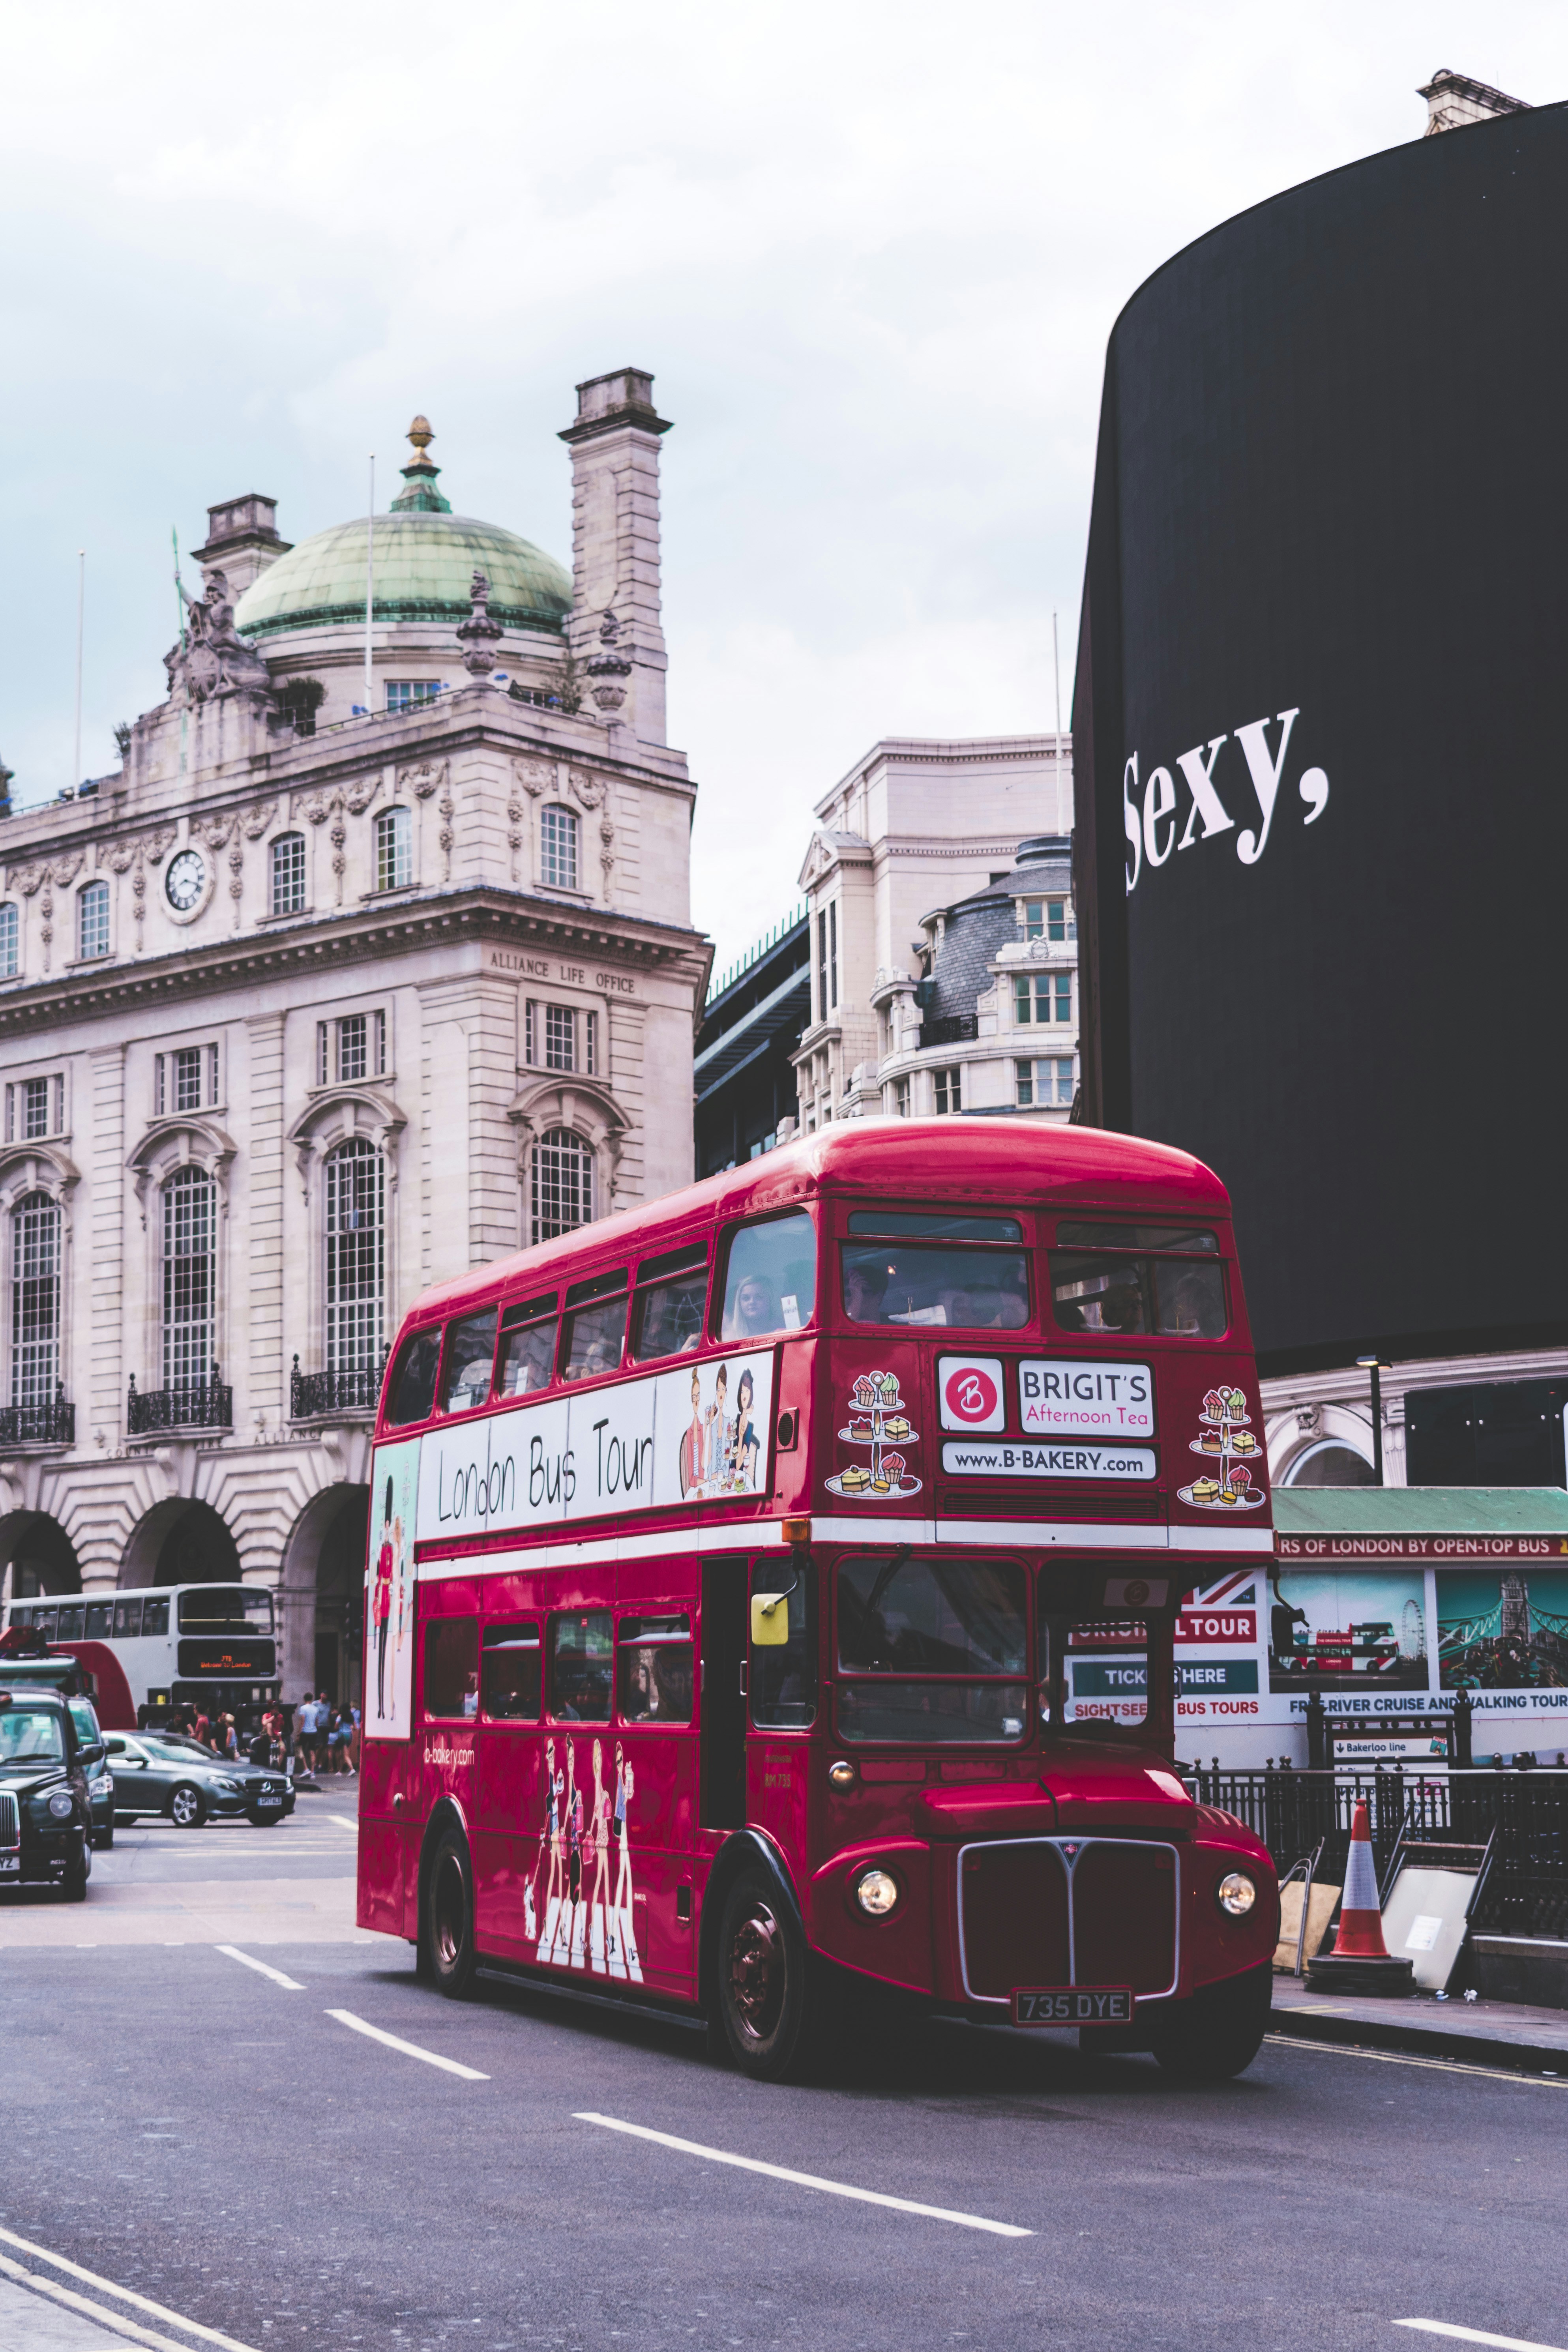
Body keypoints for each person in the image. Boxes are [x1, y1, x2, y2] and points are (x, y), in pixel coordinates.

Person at [723, 1272, 779, 1340]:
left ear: (770, 1300)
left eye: (759, 1297)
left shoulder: (781, 1332)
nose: (752, 1302)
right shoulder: (729, 1338)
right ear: (739, 1303)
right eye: (746, 1298)